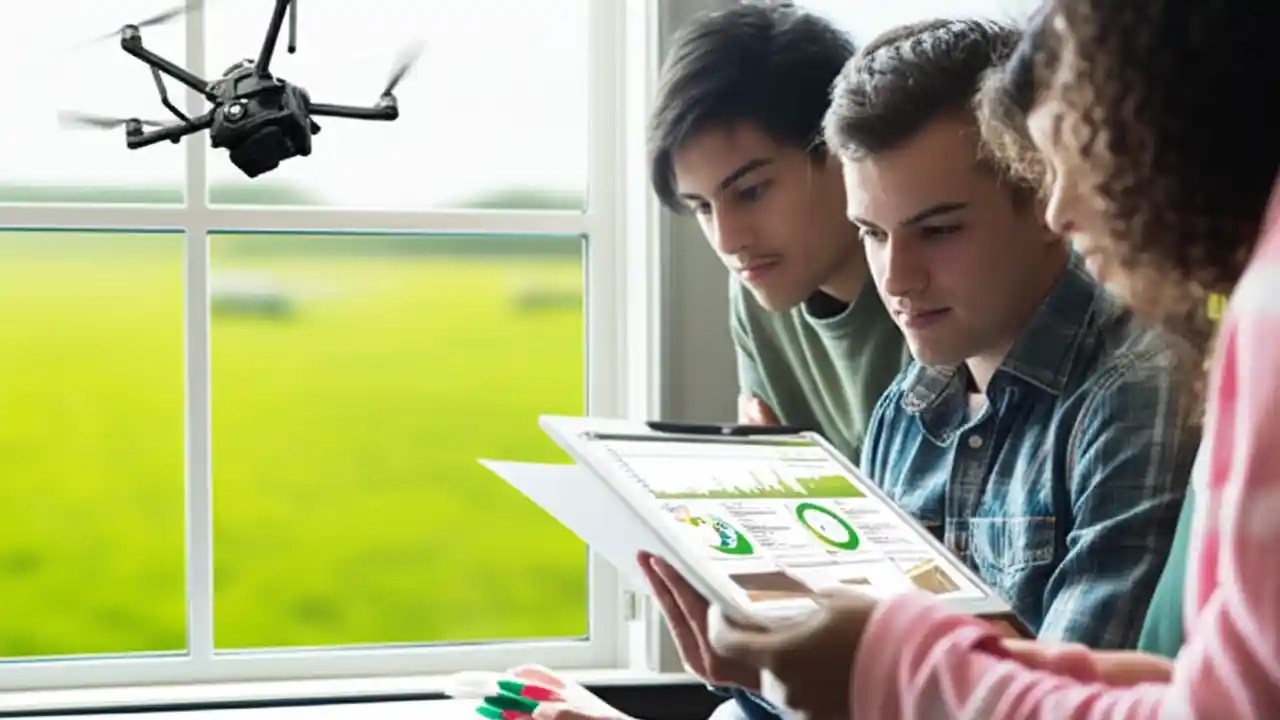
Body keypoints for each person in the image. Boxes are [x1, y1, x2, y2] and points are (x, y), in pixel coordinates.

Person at [705, 0, 1280, 716]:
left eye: (938, 231)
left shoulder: (1143, 388)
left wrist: (884, 663)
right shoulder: (908, 403)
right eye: (872, 235)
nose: (895, 279)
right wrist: (761, 661)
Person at [648, 1, 910, 462]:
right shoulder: (756, 290)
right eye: (703, 208)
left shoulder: (931, 283)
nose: (729, 244)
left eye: (750, 192)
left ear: (842, 150)